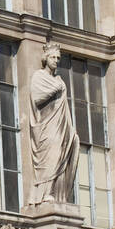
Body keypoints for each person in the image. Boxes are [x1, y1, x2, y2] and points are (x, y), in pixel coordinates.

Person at [29, 42, 80, 204]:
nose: (56, 60)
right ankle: (45, 193)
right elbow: (37, 98)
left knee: (59, 155)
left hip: (61, 124)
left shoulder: (59, 79)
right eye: (53, 57)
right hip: (46, 124)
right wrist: (55, 89)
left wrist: (70, 129)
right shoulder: (39, 76)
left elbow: (64, 106)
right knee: (50, 157)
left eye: (58, 58)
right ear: (46, 58)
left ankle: (56, 194)